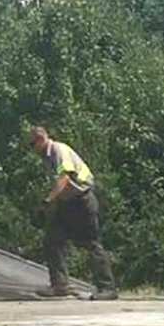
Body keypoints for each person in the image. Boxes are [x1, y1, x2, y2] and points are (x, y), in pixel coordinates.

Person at [28, 126, 118, 300]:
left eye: (32, 144)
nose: (32, 149)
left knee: (91, 243)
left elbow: (65, 178)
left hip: (82, 201)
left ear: (40, 139)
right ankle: (60, 285)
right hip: (67, 203)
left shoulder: (58, 150)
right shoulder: (48, 157)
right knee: (52, 240)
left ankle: (108, 288)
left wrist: (48, 201)